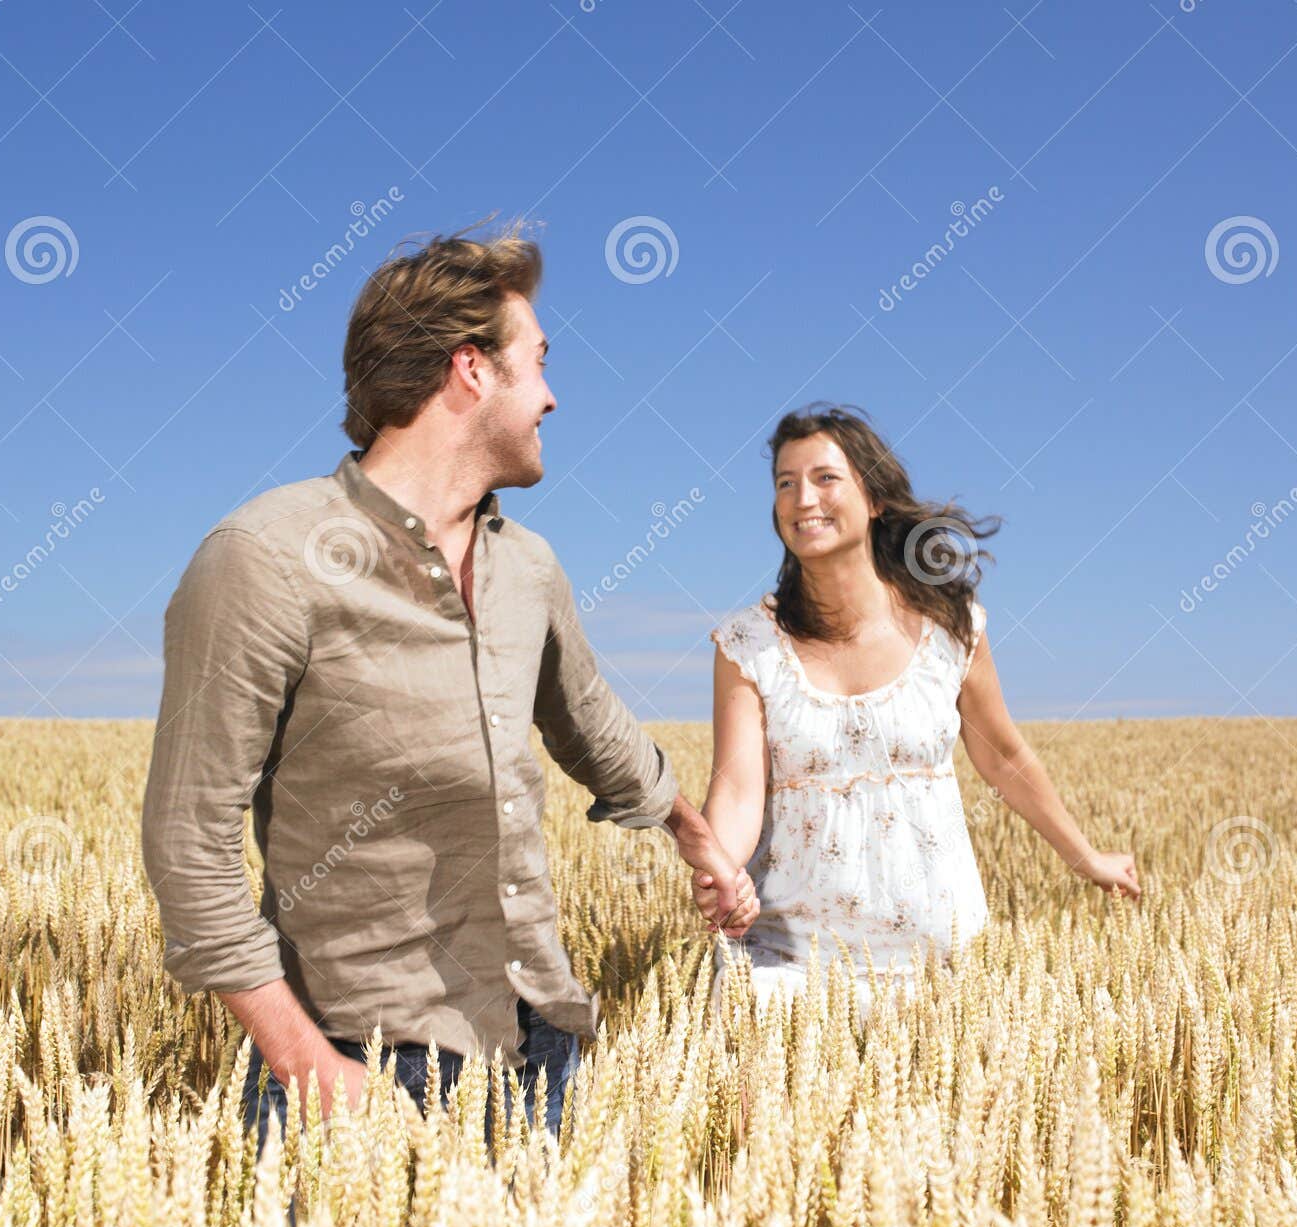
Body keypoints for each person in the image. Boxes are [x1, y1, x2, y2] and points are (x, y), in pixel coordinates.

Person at [141, 216, 752, 1153]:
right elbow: (189, 845)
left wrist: (696, 836)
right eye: (538, 361)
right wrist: (308, 1067)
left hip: (541, 1043)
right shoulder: (265, 557)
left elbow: (590, 723)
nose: (552, 395)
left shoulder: (529, 567)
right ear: (471, 370)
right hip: (362, 1065)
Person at [693, 405, 1139, 1017]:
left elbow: (1002, 754)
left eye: (826, 478)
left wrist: (1085, 857)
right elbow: (739, 788)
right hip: (789, 967)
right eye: (785, 483)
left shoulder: (949, 626)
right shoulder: (748, 643)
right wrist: (720, 869)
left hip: (938, 967)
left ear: (873, 498)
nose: (803, 499)